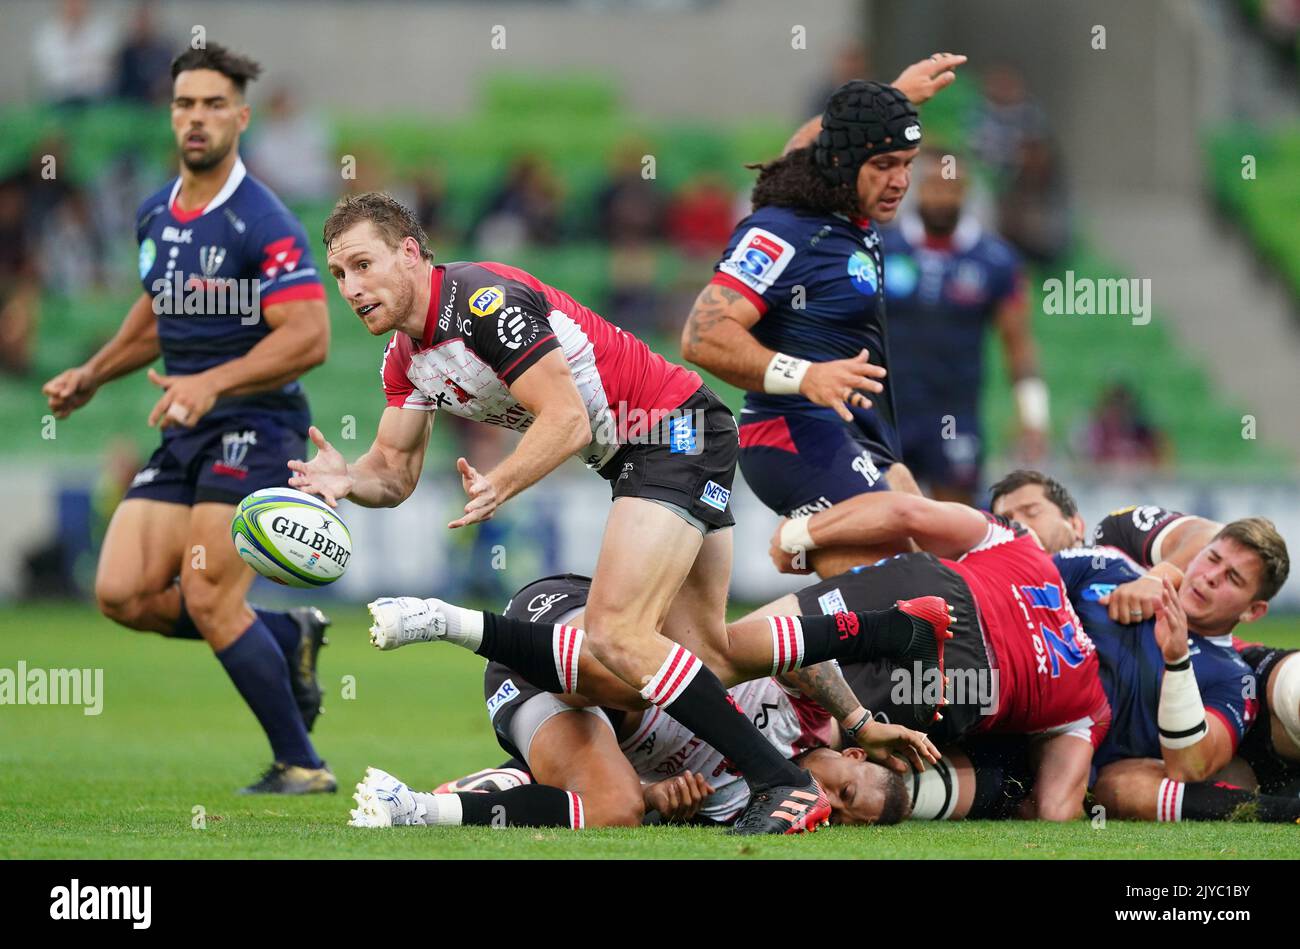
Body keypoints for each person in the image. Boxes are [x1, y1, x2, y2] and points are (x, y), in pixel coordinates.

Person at [297, 192, 842, 834]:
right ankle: (893, 635)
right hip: (656, 444)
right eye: (338, 274)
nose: (350, 287)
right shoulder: (405, 360)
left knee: (614, 634)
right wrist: (347, 480)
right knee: (705, 651)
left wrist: (502, 481)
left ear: (410, 254)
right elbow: (393, 471)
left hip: (672, 431)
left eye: (362, 265)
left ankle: (785, 782)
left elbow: (568, 419)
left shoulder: (480, 302)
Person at [40, 44, 334, 794]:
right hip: (186, 425)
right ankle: (283, 633)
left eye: (211, 104)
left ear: (241, 115)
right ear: (169, 113)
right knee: (122, 594)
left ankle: (303, 764)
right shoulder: (154, 210)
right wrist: (93, 375)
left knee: (205, 592)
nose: (195, 118)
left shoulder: (262, 219)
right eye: (183, 104)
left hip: (256, 426)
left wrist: (213, 381)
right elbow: (155, 309)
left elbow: (309, 337)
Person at [350, 582, 934, 829]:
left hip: (539, 695)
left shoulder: (738, 812)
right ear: (853, 754)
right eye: (844, 790)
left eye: (834, 813)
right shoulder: (809, 715)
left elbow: (638, 802)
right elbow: (785, 637)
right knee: (636, 676)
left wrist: (656, 798)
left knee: (615, 808)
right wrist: (858, 716)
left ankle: (414, 809)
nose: (823, 801)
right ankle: (444, 619)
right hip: (573, 621)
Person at [681, 76, 937, 577]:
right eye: (884, 165)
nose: (901, 181)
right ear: (841, 161)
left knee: (920, 594)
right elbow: (702, 335)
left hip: (863, 437)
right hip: (797, 434)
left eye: (907, 165)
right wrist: (805, 376)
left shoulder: (846, 203)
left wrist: (892, 99)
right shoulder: (783, 231)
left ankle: (742, 655)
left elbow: (807, 139)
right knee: (899, 606)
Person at [985, 472, 1297, 822]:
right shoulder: (1107, 567)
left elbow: (1189, 767)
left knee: (1127, 787)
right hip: (999, 698)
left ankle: (1286, 811)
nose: (1211, 576)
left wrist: (1177, 660)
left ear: (1252, 611)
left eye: (1233, 578)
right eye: (1212, 559)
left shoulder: (1234, 678)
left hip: (1066, 772)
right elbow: (1014, 581)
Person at [882, 150, 1046, 504]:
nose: (941, 197)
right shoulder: (882, 249)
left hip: (955, 415)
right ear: (915, 188)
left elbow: (1017, 342)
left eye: (951, 188)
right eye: (932, 186)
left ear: (966, 192)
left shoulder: (996, 260)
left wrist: (1033, 416)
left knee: (953, 529)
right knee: (882, 520)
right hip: (886, 413)